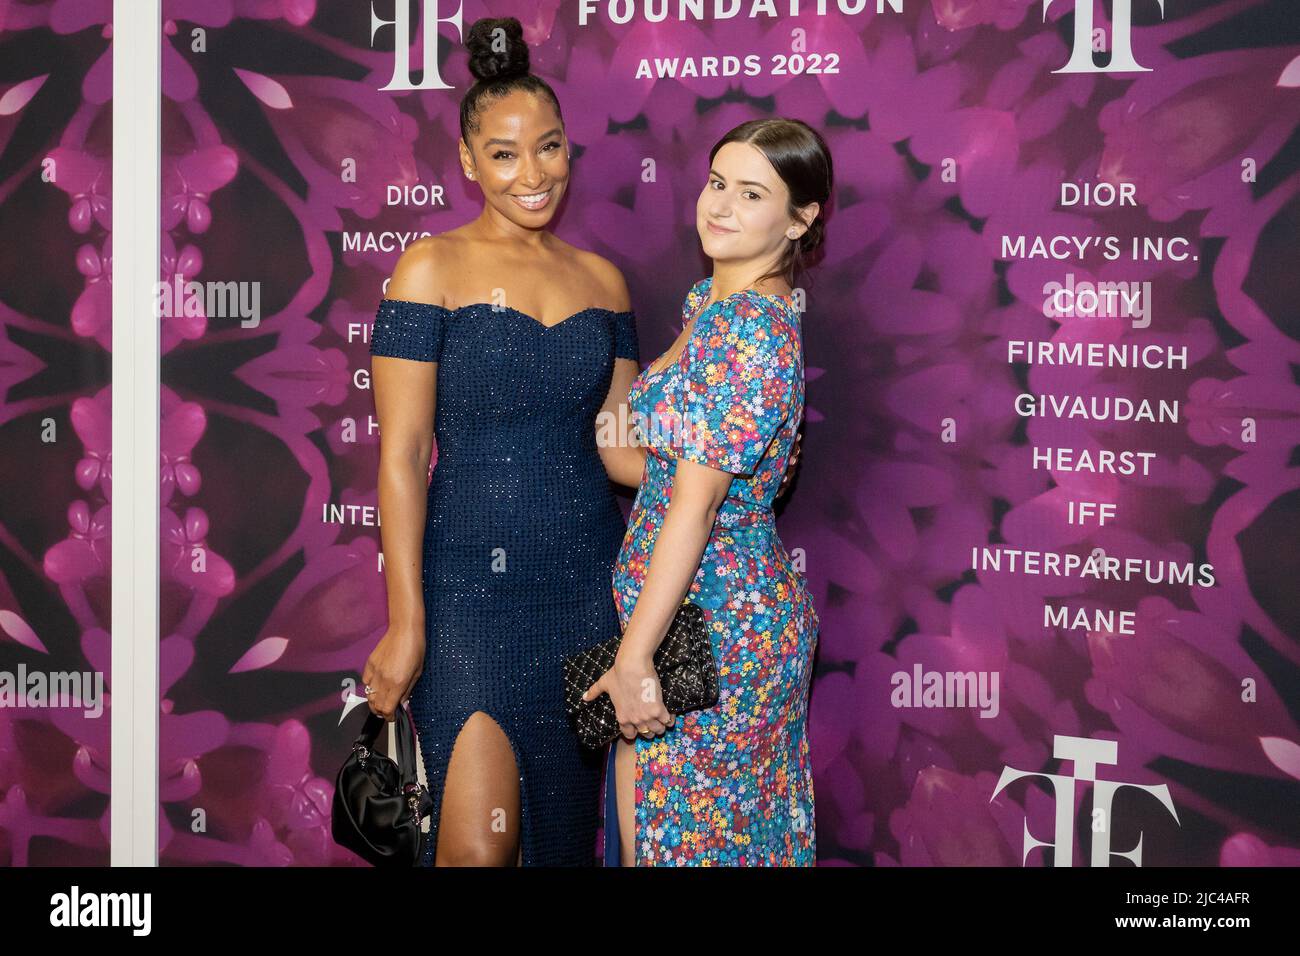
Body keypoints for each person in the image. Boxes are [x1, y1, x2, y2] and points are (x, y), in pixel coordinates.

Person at [362, 16, 646, 866]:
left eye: (550, 148)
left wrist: (723, 428)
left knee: (563, 844)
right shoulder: (429, 269)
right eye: (506, 153)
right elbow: (403, 456)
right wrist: (407, 622)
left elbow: (618, 448)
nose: (534, 174)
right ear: (467, 160)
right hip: (469, 607)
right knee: (476, 853)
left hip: (589, 596)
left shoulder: (604, 281)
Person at [584, 118, 832, 865]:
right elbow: (650, 473)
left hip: (715, 628)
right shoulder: (712, 308)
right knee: (661, 832)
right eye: (718, 182)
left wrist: (634, 660)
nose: (720, 206)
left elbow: (692, 508)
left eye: (752, 193)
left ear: (800, 217)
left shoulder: (747, 330)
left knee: (679, 841)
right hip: (690, 618)